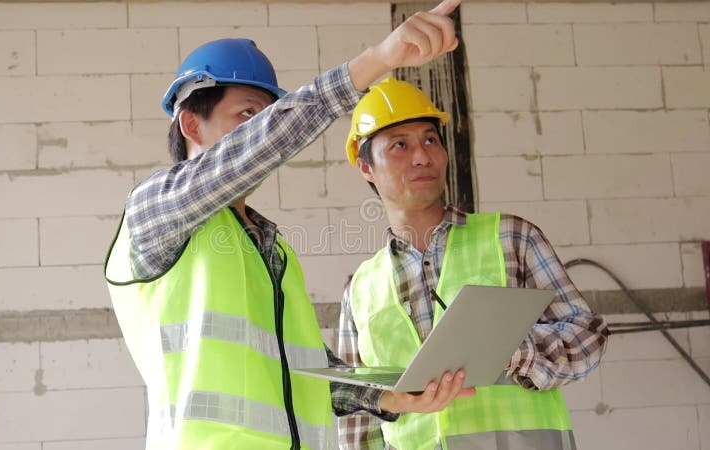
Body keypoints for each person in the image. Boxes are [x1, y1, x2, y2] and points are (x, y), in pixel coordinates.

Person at [104, 1, 475, 449]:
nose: (261, 130)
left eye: (267, 116)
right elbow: (257, 147)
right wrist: (378, 60)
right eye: (247, 116)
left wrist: (388, 396)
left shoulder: (271, 249)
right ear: (190, 123)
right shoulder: (153, 210)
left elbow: (297, 367)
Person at [337, 78, 610, 449]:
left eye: (430, 140)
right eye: (400, 145)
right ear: (366, 167)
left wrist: (514, 349)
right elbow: (358, 414)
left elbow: (587, 336)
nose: (423, 156)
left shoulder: (512, 238)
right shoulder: (360, 289)